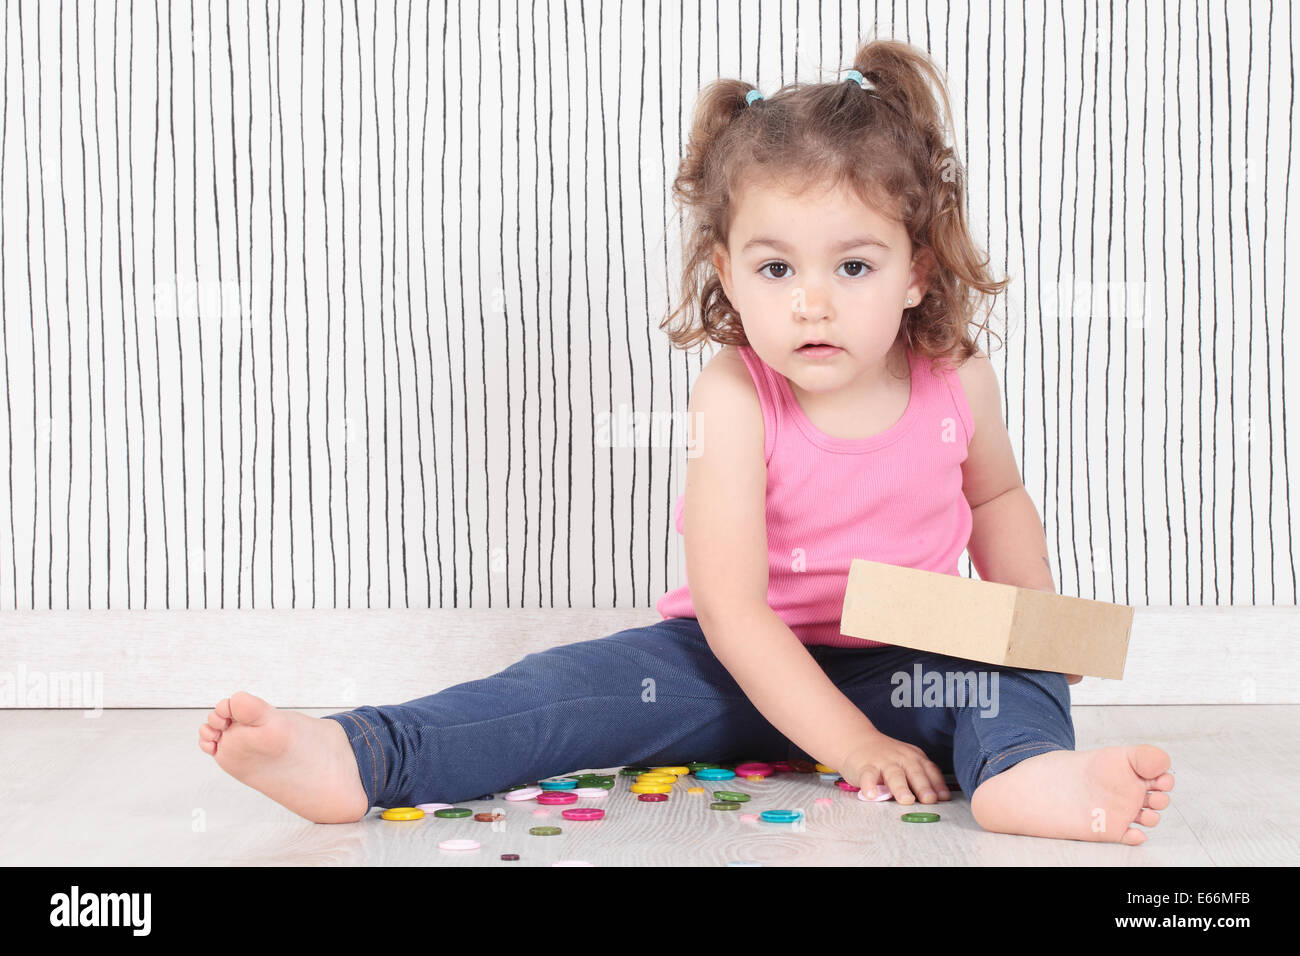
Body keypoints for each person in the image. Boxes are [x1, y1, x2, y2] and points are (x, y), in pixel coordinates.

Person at [198, 37, 1172, 843]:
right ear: (726, 270)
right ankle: (359, 752)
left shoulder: (953, 371)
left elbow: (996, 498)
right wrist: (846, 742)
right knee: (559, 693)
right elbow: (732, 606)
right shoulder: (736, 393)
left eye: (854, 264)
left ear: (916, 269)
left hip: (905, 655)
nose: (814, 301)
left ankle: (1030, 777)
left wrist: (1034, 627)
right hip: (731, 658)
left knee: (1009, 678)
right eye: (777, 266)